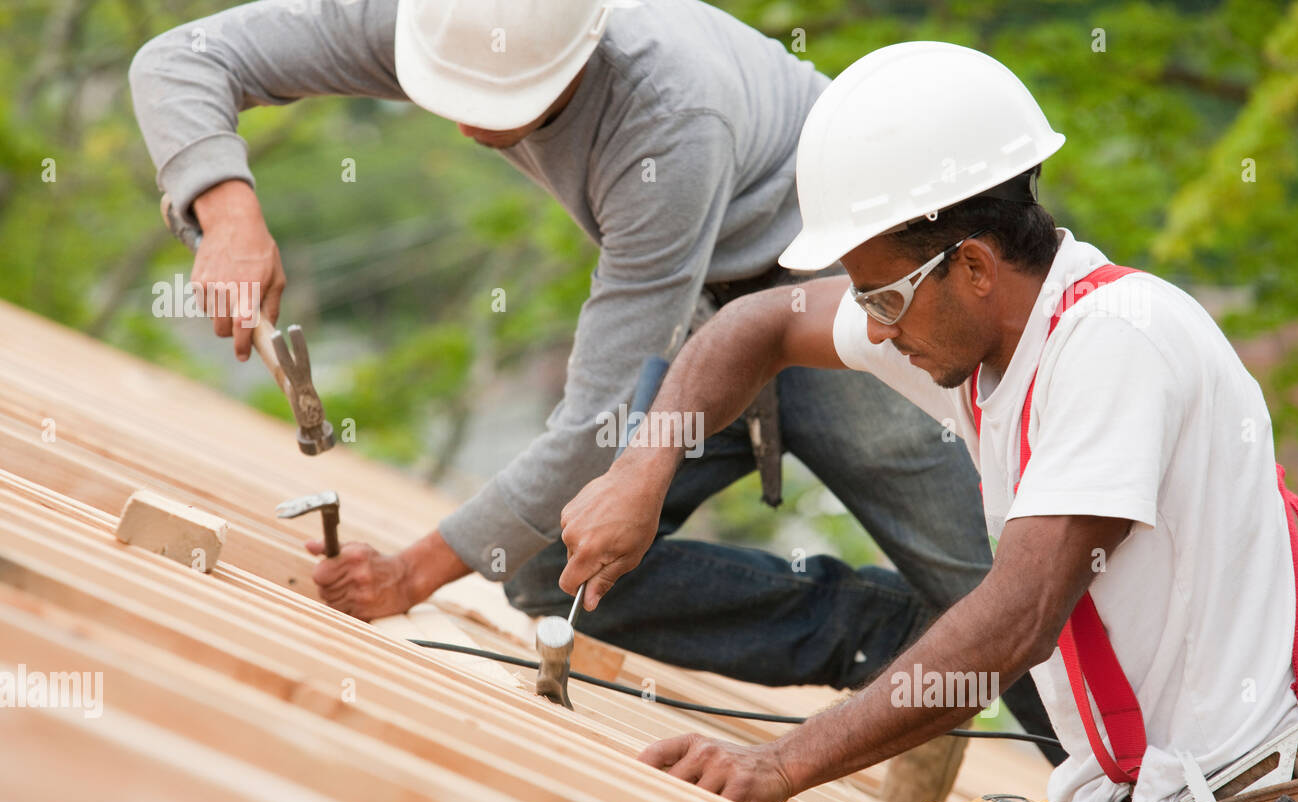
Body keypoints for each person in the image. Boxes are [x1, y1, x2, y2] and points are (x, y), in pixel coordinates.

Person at [129, 0, 1058, 755]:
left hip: (845, 286)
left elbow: (594, 426)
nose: (469, 123)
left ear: (579, 60)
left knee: (996, 596)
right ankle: (892, 644)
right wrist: (228, 210)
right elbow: (182, 59)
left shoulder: (670, 115)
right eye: (451, 95)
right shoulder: (437, 21)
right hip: (701, 310)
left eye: (507, 107)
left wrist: (412, 573)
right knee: (545, 559)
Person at [557, 41, 1298, 802]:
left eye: (881, 296)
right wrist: (642, 468)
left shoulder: (1119, 342)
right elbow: (758, 325)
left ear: (975, 267)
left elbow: (1016, 620)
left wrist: (781, 762)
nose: (872, 328)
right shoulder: (976, 339)